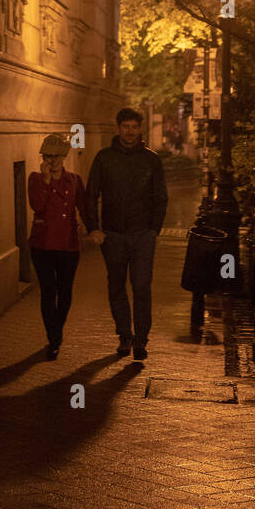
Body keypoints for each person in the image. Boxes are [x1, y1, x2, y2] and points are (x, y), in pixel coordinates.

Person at [85, 108, 168, 361]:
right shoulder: (104, 158)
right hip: (113, 235)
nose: (130, 131)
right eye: (125, 127)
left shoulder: (151, 160)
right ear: (119, 128)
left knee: (142, 286)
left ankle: (141, 340)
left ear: (140, 129)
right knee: (116, 286)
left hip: (143, 234)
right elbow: (91, 195)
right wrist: (94, 228)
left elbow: (160, 197)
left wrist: (155, 229)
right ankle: (125, 335)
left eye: (134, 127)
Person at [28, 133, 88, 360]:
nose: (51, 160)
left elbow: (83, 207)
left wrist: (94, 229)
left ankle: (56, 331)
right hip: (42, 245)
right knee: (48, 291)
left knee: (64, 292)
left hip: (68, 244)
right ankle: (53, 338)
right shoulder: (35, 179)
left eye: (56, 156)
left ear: (64, 157)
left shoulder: (74, 180)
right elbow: (37, 205)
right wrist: (45, 182)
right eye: (47, 155)